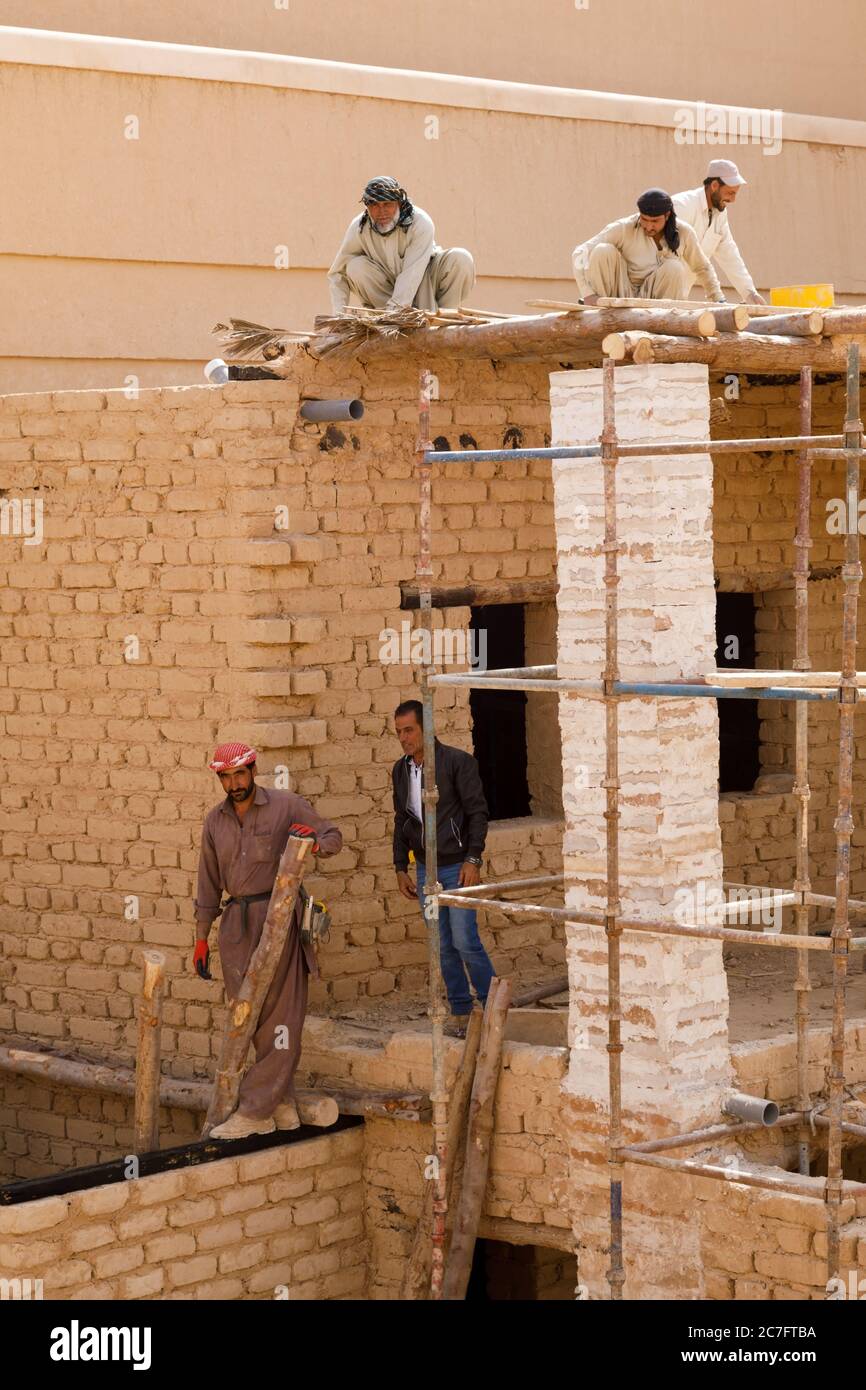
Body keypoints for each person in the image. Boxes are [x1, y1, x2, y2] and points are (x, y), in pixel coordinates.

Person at [194, 742, 342, 1140]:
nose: (233, 784)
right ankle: (282, 1103)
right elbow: (207, 884)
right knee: (250, 1015)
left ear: (253, 770)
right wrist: (201, 939)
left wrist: (312, 840)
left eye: (239, 775)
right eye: (225, 777)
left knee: (282, 1018)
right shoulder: (215, 821)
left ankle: (256, 1110)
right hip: (236, 927)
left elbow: (332, 836)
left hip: (277, 920)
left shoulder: (285, 804)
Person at [392, 701, 494, 1037]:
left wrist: (473, 859)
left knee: (466, 941)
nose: (404, 738)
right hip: (426, 869)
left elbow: (478, 813)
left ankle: (493, 1008)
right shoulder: (401, 770)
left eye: (409, 730)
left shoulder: (457, 762)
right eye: (399, 732)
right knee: (442, 945)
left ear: (427, 728)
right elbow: (402, 820)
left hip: (458, 867)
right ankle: (462, 1012)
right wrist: (400, 866)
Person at [327, 175, 475, 313]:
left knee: (461, 259)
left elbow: (413, 272)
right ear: (367, 206)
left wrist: (397, 310)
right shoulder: (359, 227)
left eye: (387, 204)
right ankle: (388, 320)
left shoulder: (420, 222)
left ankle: (445, 319)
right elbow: (337, 273)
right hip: (386, 299)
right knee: (355, 266)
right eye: (375, 205)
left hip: (425, 279)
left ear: (399, 203)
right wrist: (339, 316)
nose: (382, 211)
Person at [572, 187, 725, 304]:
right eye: (644, 219)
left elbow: (702, 267)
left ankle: (663, 328)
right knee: (601, 251)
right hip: (619, 299)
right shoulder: (624, 228)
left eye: (655, 221)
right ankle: (602, 314)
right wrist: (588, 294)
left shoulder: (684, 232)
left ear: (667, 216)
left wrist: (718, 300)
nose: (648, 226)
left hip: (655, 306)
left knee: (675, 267)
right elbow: (580, 252)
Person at [672, 159, 765, 305]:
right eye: (730, 193)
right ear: (714, 186)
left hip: (679, 297)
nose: (733, 199)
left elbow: (730, 254)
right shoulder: (682, 205)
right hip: (656, 293)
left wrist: (749, 293)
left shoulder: (720, 215)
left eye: (735, 194)